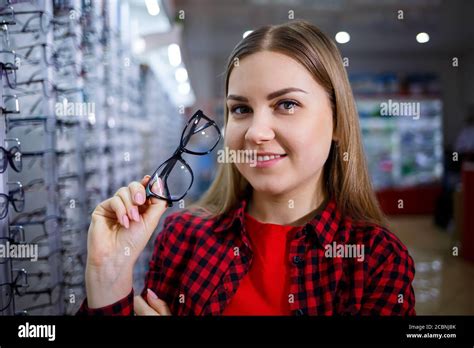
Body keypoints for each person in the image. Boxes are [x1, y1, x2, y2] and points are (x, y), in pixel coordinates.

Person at [78, 20, 416, 316]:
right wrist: (108, 274)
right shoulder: (183, 238)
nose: (256, 132)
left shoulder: (376, 260)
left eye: (287, 104)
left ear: (338, 123)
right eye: (240, 109)